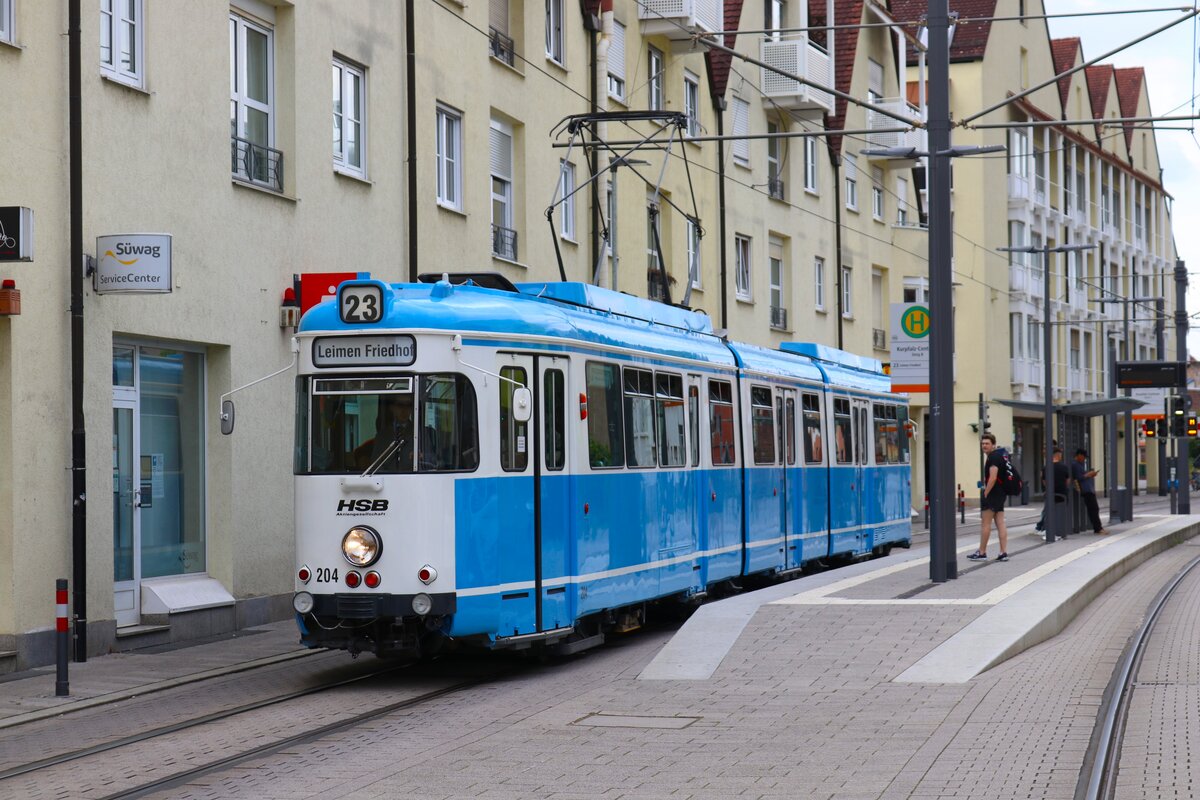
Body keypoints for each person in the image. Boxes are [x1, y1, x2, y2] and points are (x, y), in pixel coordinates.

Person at [969, 433, 1009, 562]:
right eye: (983, 443)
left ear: (993, 445)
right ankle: (1003, 552)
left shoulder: (993, 458)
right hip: (1000, 493)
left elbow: (993, 477)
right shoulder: (999, 456)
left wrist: (986, 492)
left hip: (993, 494)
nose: (984, 446)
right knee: (1000, 523)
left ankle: (982, 552)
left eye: (987, 443)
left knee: (985, 524)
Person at [1072, 448, 1106, 535]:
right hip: (1085, 490)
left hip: (1088, 489)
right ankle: (1098, 528)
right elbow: (1079, 478)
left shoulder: (1080, 464)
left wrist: (1090, 475)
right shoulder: (1075, 465)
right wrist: (1088, 474)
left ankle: (1098, 527)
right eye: (1083, 457)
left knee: (1094, 508)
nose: (1084, 459)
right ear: (1079, 455)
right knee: (1093, 508)